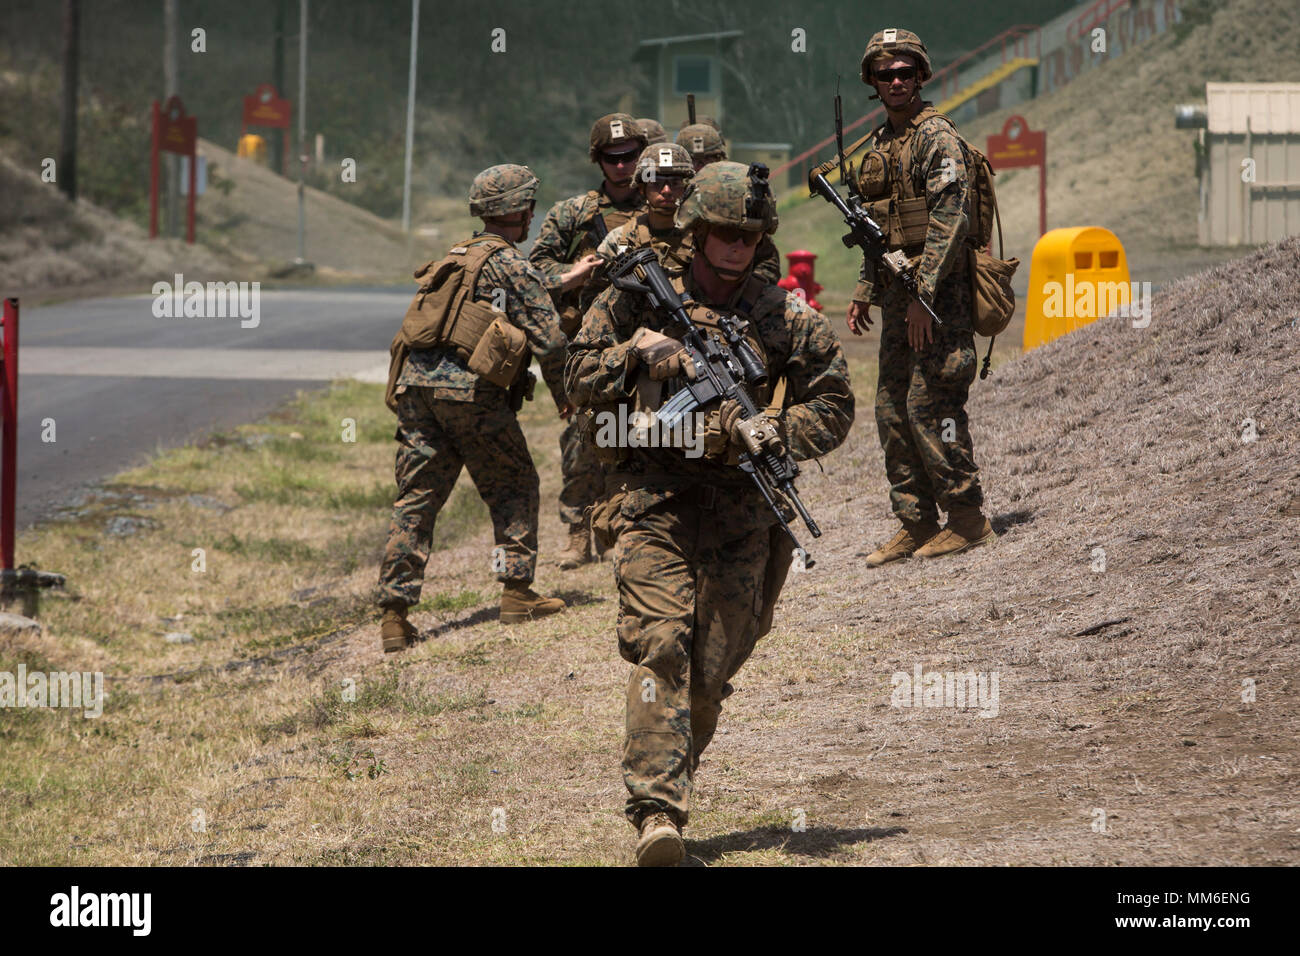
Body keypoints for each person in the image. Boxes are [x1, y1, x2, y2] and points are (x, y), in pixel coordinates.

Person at [566, 162, 854, 865]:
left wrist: (774, 430)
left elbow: (836, 403)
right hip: (653, 501)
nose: (736, 246)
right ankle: (657, 815)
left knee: (711, 672)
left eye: (749, 235)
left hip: (742, 512)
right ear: (697, 232)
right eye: (724, 233)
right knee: (663, 644)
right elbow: (577, 375)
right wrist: (638, 357)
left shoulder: (785, 316)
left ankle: (670, 781)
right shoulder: (636, 297)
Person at [377, 164, 590, 652]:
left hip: (417, 392)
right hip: (471, 395)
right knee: (513, 485)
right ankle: (516, 592)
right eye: (530, 206)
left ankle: (394, 615)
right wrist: (566, 398)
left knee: (416, 499)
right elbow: (552, 340)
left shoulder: (455, 256)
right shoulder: (511, 264)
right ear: (521, 210)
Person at [844, 28, 995, 565]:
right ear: (872, 81)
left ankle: (968, 519)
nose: (896, 81)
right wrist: (866, 290)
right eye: (885, 74)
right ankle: (916, 521)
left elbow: (951, 221)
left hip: (939, 297)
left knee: (931, 405)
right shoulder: (881, 144)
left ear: (921, 75)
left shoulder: (937, 138)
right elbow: (879, 229)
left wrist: (923, 295)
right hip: (896, 298)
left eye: (905, 72)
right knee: (891, 409)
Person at [530, 113, 647, 568]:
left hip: (649, 340)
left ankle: (627, 527)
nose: (622, 166)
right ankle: (579, 530)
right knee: (585, 437)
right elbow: (534, 271)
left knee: (651, 434)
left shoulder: (661, 206)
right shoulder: (573, 214)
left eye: (630, 156)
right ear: (598, 161)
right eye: (612, 158)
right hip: (590, 345)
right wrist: (574, 273)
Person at [581, 143, 781, 314]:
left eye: (676, 183)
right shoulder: (620, 241)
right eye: (656, 183)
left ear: (688, 189)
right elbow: (593, 299)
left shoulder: (707, 235)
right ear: (642, 188)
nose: (667, 191)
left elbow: (764, 272)